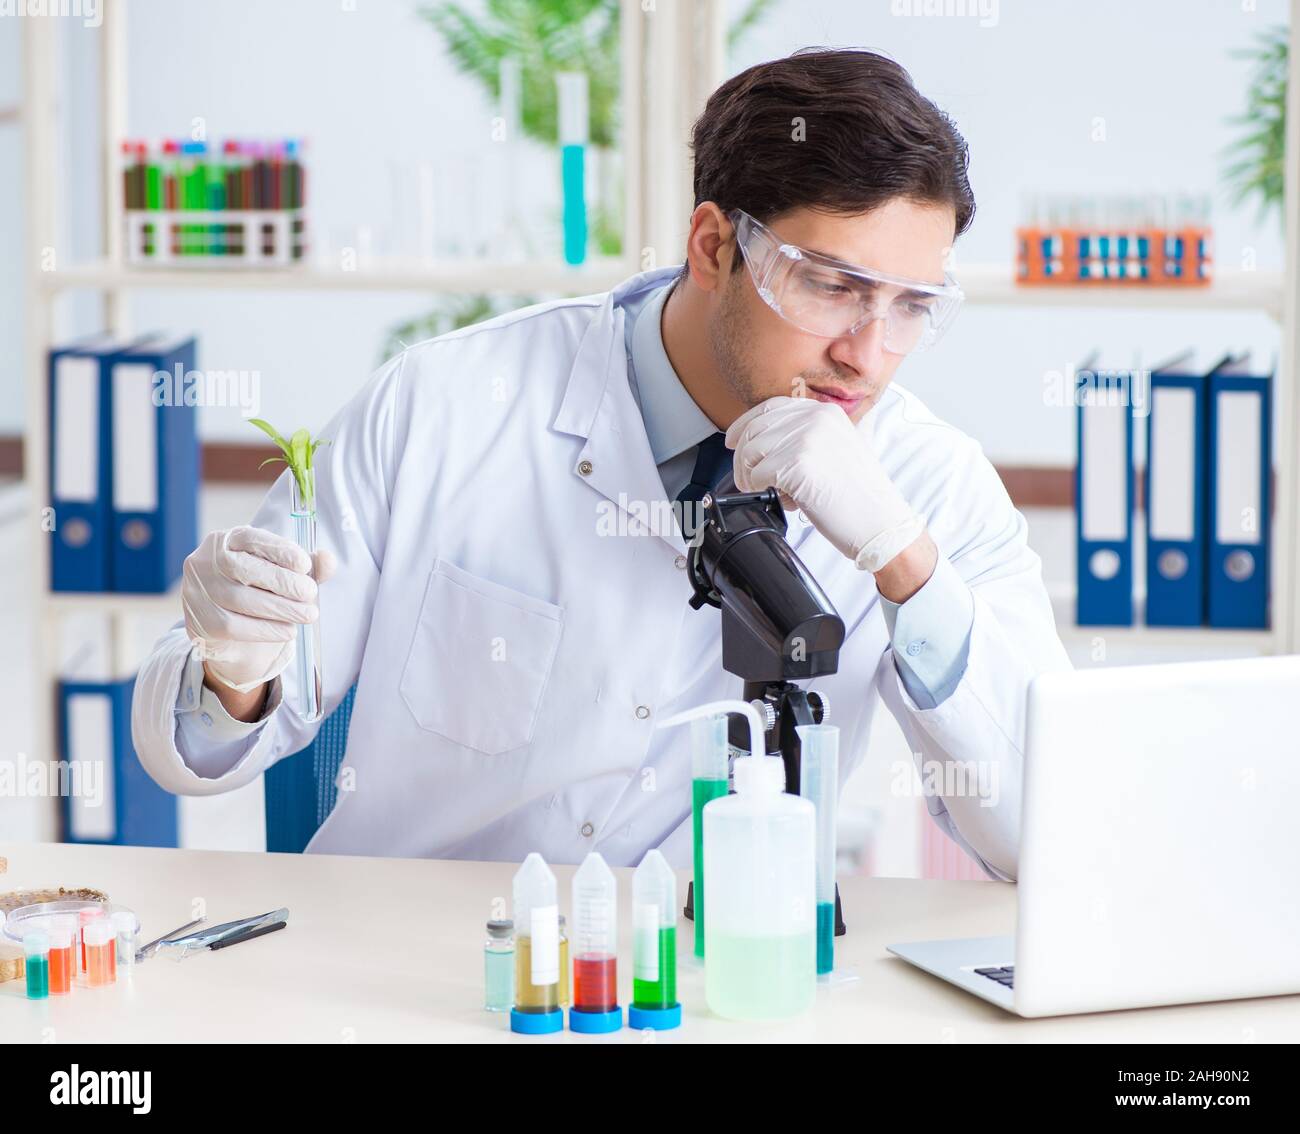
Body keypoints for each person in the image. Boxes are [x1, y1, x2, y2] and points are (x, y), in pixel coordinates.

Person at [133, 48, 1070, 878]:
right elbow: (206, 749)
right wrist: (231, 670)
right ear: (713, 246)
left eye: (911, 306)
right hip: (410, 978)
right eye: (832, 287)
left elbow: (1042, 837)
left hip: (717, 985)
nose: (868, 354)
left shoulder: (933, 483)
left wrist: (905, 560)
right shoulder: (446, 404)